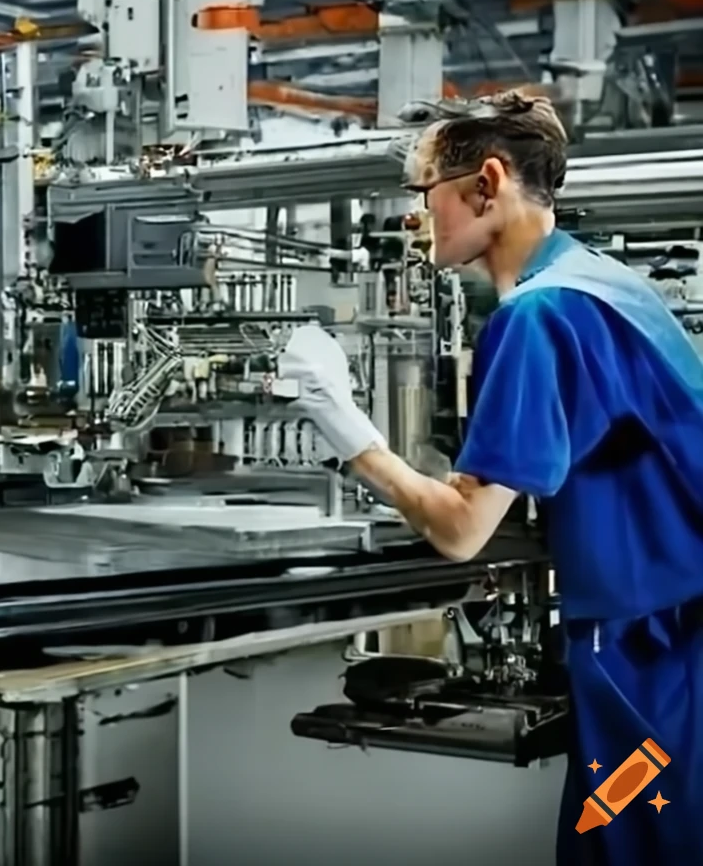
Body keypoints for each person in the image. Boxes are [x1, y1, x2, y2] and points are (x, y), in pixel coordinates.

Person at [278, 91, 703, 865]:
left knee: (632, 844)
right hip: (674, 633)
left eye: (424, 191)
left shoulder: (542, 314)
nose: (416, 215)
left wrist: (339, 418)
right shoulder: (602, 281)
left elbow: (462, 530)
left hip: (652, 652)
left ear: (487, 182)